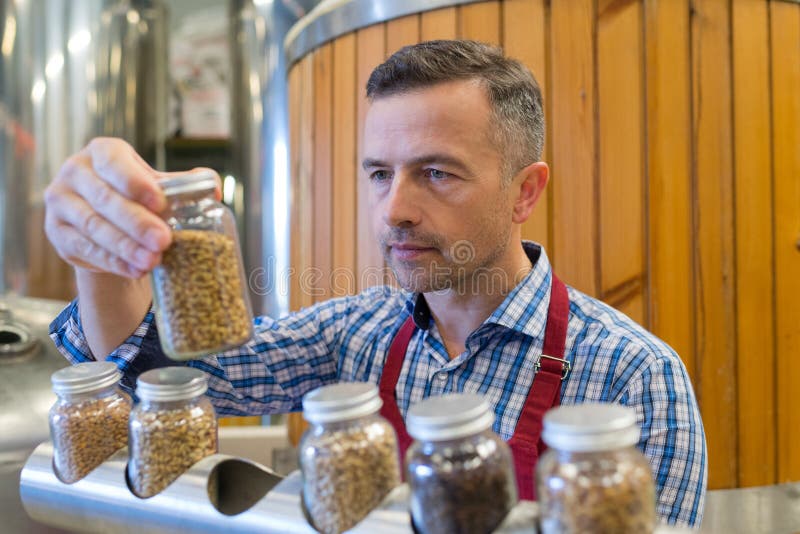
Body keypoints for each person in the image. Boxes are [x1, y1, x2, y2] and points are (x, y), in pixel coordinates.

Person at [45, 40, 706, 525]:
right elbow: (164, 374)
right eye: (380, 174)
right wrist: (96, 255)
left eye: (437, 173)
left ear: (525, 191)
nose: (395, 210)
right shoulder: (354, 334)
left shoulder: (635, 374)